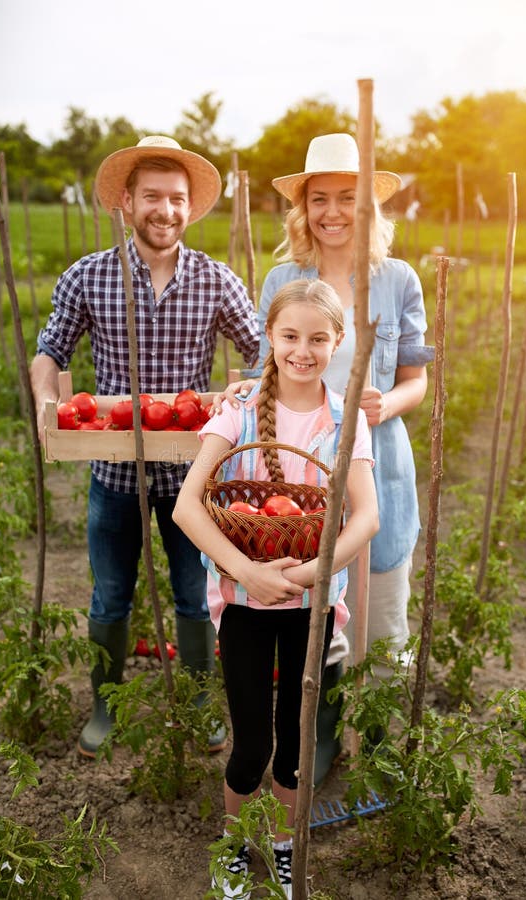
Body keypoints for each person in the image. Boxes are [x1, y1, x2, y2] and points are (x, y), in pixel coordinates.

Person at [30, 135, 259, 758]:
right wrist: (47, 403)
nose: (166, 210)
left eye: (177, 198)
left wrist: (245, 393)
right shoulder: (89, 276)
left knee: (195, 594)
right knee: (111, 594)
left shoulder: (216, 280)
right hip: (114, 472)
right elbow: (50, 351)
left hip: (192, 477)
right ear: (127, 202)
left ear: (190, 207)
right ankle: (105, 705)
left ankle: (198, 704)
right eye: (152, 196)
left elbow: (260, 352)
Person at [221, 133, 434, 784]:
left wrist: (384, 405)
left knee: (382, 622)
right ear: (303, 207)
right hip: (295, 478)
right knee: (315, 619)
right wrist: (241, 390)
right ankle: (323, 734)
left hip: (377, 467)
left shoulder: (397, 280)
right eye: (320, 199)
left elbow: (418, 380)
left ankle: (379, 742)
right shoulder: (283, 279)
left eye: (348, 197)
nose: (333, 211)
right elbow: (267, 370)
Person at [173, 278, 378, 898]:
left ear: (337, 342)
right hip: (244, 603)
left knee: (295, 740)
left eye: (317, 339)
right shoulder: (237, 412)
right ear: (269, 336)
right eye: (290, 336)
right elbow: (188, 507)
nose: (302, 351)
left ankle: (285, 844)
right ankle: (234, 844)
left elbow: (366, 517)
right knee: (252, 743)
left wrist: (312, 574)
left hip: (312, 607)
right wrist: (249, 572)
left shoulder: (344, 420)